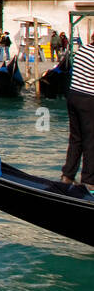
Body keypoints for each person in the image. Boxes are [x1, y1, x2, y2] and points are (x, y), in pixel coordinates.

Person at [63, 40, 94, 189]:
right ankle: (88, 181)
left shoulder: (83, 50)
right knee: (91, 141)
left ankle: (67, 176)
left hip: (73, 96)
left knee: (76, 139)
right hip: (90, 100)